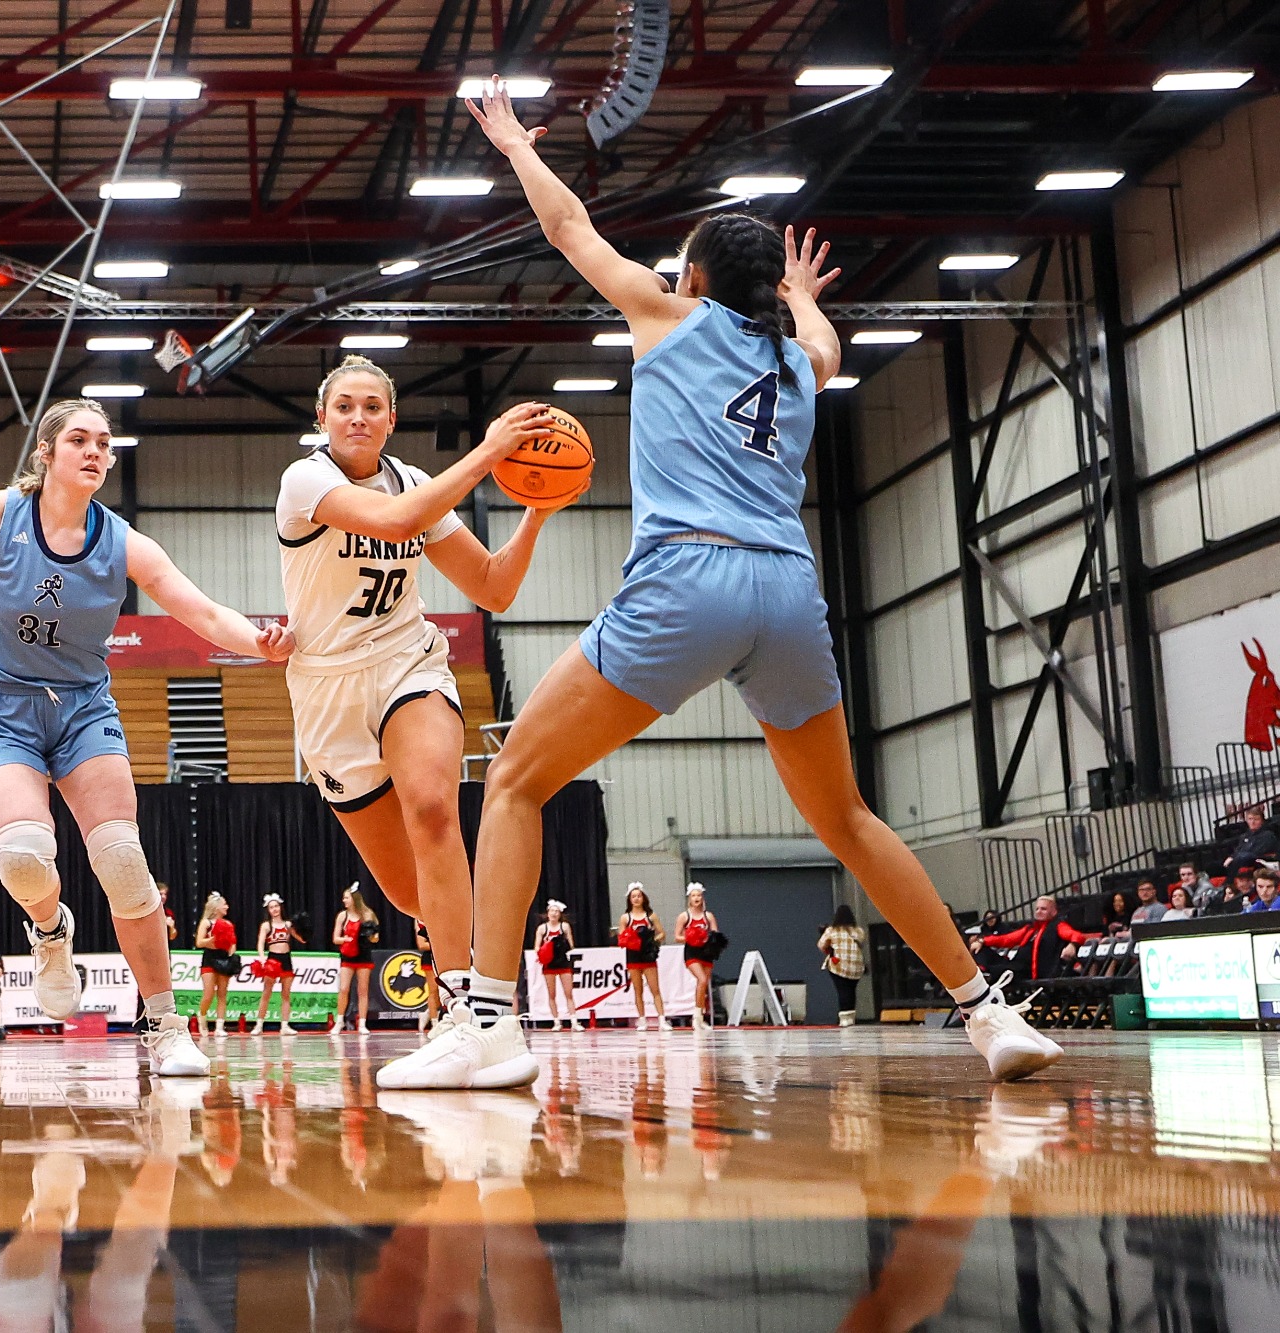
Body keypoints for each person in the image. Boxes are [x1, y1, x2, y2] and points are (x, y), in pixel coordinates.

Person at [378, 82, 1065, 1089]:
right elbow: (823, 341)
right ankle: (986, 1011)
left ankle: (486, 1021)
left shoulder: (664, 313)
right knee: (848, 820)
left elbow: (566, 225)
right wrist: (800, 296)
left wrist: (515, 146)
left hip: (686, 578)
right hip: (786, 590)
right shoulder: (800, 364)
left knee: (519, 778)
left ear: (690, 274)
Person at [0, 397, 290, 1078]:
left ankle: (165, 1023)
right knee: (26, 857)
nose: (96, 451)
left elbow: (205, 611)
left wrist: (260, 642)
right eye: (80, 440)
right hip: (0, 713)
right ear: (47, 453)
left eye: (104, 442)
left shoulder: (125, 542)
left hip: (82, 711)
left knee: (125, 863)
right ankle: (49, 929)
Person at [275, 354, 556, 1028]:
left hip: (409, 662)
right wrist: (489, 453)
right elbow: (398, 522)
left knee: (433, 807)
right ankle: (456, 955)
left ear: (392, 420)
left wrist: (538, 513)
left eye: (373, 405)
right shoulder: (304, 480)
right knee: (407, 891)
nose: (358, 416)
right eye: (345, 405)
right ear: (323, 418)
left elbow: (494, 587)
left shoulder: (417, 484)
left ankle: (471, 1007)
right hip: (328, 694)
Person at [980, 896, 1099, 982]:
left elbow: (1077, 935)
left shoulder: (1058, 926)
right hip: (1015, 965)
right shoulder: (1030, 928)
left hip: (1028, 971)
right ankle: (981, 972)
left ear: (1053, 912)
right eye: (1037, 909)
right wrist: (982, 941)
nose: (1038, 912)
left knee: (1001, 971)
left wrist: (1072, 945)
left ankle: (983, 977)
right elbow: (1006, 939)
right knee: (981, 949)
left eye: (1043, 909)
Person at [331, 884, 380, 1035]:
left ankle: (363, 1023)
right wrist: (347, 939)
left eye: (346, 897)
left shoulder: (367, 914)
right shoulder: (342, 916)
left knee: (363, 990)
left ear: (354, 898)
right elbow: (335, 938)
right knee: (344, 988)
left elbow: (376, 938)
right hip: (348, 955)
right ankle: (339, 1022)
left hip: (363, 955)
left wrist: (370, 935)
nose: (344, 900)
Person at [615, 885, 665, 1031]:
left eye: (639, 896)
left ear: (643, 898)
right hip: (633, 956)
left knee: (655, 989)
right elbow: (621, 937)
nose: (636, 899)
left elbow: (662, 933)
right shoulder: (626, 917)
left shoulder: (651, 916)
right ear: (629, 900)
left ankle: (662, 1019)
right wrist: (630, 939)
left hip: (648, 956)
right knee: (638, 990)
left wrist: (653, 941)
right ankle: (642, 1019)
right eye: (633, 896)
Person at [254, 894, 305, 1034]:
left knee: (286, 994)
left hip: (286, 959)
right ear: (268, 910)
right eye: (271, 907)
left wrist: (304, 929)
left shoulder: (288, 925)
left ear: (280, 907)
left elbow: (301, 939)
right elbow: (260, 944)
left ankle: (284, 1025)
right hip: (272, 959)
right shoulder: (266, 925)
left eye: (276, 906)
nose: (275, 909)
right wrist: (262, 958)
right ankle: (259, 1024)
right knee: (267, 992)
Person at [676, 883, 722, 1030]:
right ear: (689, 899)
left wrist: (708, 938)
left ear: (702, 898)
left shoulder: (708, 916)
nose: (697, 898)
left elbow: (716, 934)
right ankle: (696, 1017)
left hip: (706, 953)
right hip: (691, 952)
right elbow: (677, 936)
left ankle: (700, 1018)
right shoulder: (684, 916)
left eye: (699, 895)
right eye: (694, 895)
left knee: (703, 984)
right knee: (701, 979)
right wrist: (690, 937)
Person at [195, 894, 239, 1039]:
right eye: (224, 904)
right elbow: (199, 942)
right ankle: (202, 1017)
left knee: (222, 994)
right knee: (209, 993)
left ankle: (220, 1027)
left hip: (223, 957)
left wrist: (231, 957)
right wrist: (213, 940)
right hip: (209, 958)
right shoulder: (206, 922)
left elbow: (232, 942)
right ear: (216, 907)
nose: (227, 907)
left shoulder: (228, 924)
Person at [533, 900, 580, 1032]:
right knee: (551, 994)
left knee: (568, 993)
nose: (554, 913)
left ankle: (574, 1021)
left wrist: (560, 945)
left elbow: (571, 945)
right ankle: (556, 1021)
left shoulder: (564, 926)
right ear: (547, 913)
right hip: (549, 964)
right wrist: (545, 950)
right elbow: (536, 947)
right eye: (551, 911)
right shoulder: (542, 928)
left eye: (556, 911)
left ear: (560, 914)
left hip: (563, 962)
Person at [818, 906, 869, 1026]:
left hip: (838, 965)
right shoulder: (858, 931)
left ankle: (845, 1018)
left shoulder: (832, 931)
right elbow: (861, 941)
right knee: (851, 990)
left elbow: (821, 945)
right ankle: (851, 1017)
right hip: (857, 967)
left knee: (842, 990)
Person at [1223, 805, 1278, 876]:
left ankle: (1229, 882)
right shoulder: (1245, 835)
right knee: (1214, 865)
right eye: (1250, 819)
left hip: (1258, 861)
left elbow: (1257, 852)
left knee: (1244, 856)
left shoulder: (1268, 835)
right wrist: (1232, 857)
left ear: (1262, 821)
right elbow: (1238, 850)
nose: (1252, 822)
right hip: (1241, 860)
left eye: (1256, 819)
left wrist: (1235, 858)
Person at [413, 918, 438, 1034]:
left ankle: (427, 1013)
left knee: (445, 992)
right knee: (434, 990)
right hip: (429, 957)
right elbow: (421, 944)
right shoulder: (419, 919)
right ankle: (435, 1023)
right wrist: (441, 944)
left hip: (443, 956)